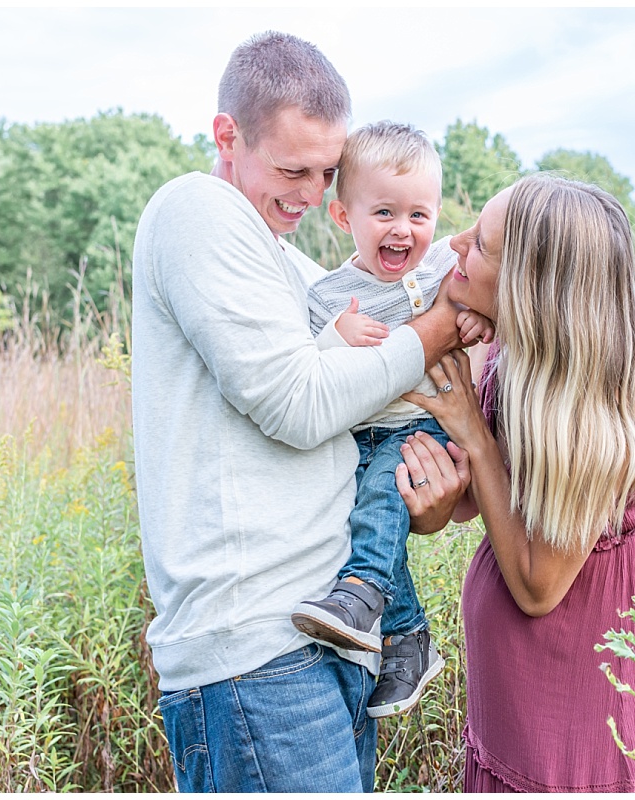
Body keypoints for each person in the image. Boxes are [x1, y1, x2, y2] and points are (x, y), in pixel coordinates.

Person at [130, 32, 462, 793]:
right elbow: (299, 404)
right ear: (227, 136)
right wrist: (437, 328)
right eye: (292, 169)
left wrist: (427, 495)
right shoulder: (198, 211)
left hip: (331, 638)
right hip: (255, 651)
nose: (311, 195)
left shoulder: (297, 268)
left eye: (325, 172)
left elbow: (364, 410)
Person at [397, 174, 635, 792]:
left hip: (575, 747)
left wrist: (473, 436)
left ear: (530, 288)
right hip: (516, 728)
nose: (453, 243)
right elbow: (467, 506)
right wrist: (432, 499)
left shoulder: (595, 421)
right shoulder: (513, 368)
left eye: (479, 244)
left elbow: (537, 588)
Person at [290, 121, 494, 719]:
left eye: (419, 215)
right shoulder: (329, 297)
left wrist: (483, 320)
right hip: (361, 429)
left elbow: (484, 297)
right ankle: (407, 636)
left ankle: (362, 596)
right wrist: (336, 337)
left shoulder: (439, 277)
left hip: (422, 420)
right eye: (383, 212)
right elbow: (306, 371)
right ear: (341, 215)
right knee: (361, 514)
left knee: (382, 493)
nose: (402, 229)